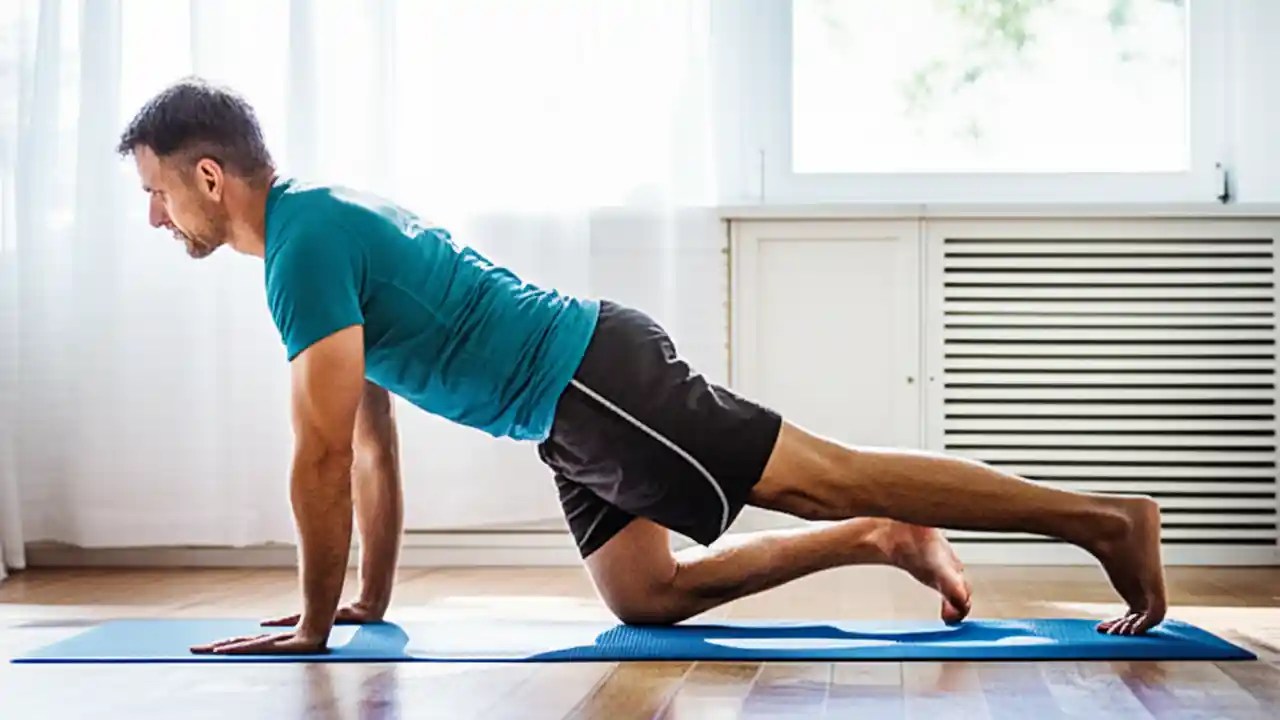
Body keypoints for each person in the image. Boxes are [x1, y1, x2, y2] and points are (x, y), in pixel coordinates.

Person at [115, 79, 1168, 655]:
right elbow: (370, 446)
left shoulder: (302, 249)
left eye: (158, 192)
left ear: (209, 174)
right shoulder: (316, 227)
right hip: (562, 409)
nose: (155, 215)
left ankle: (1100, 520)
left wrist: (307, 630)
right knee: (646, 598)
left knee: (825, 470)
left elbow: (316, 461)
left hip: (587, 380)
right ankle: (884, 537)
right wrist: (364, 603)